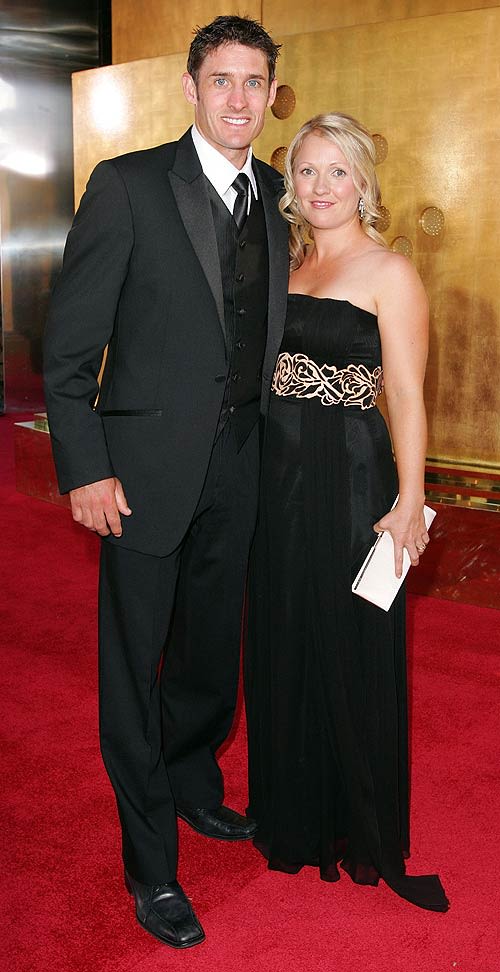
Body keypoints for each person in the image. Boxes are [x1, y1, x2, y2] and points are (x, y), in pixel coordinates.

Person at [43, 15, 288, 949]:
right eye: (220, 80)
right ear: (189, 88)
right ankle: (151, 868)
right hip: (137, 474)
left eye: (252, 82)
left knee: (205, 657)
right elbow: (68, 352)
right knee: (133, 669)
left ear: (272, 94)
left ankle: (193, 783)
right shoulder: (129, 185)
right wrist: (86, 467)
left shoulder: (274, 191)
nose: (236, 98)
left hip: (240, 465)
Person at [244, 112, 449, 912]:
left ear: (363, 181)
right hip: (277, 478)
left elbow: (405, 393)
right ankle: (291, 813)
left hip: (353, 480)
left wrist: (411, 499)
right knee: (284, 631)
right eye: (305, 171)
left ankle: (352, 817)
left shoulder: (389, 273)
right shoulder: (283, 265)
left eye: (337, 171)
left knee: (349, 637)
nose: (321, 186)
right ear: (289, 186)